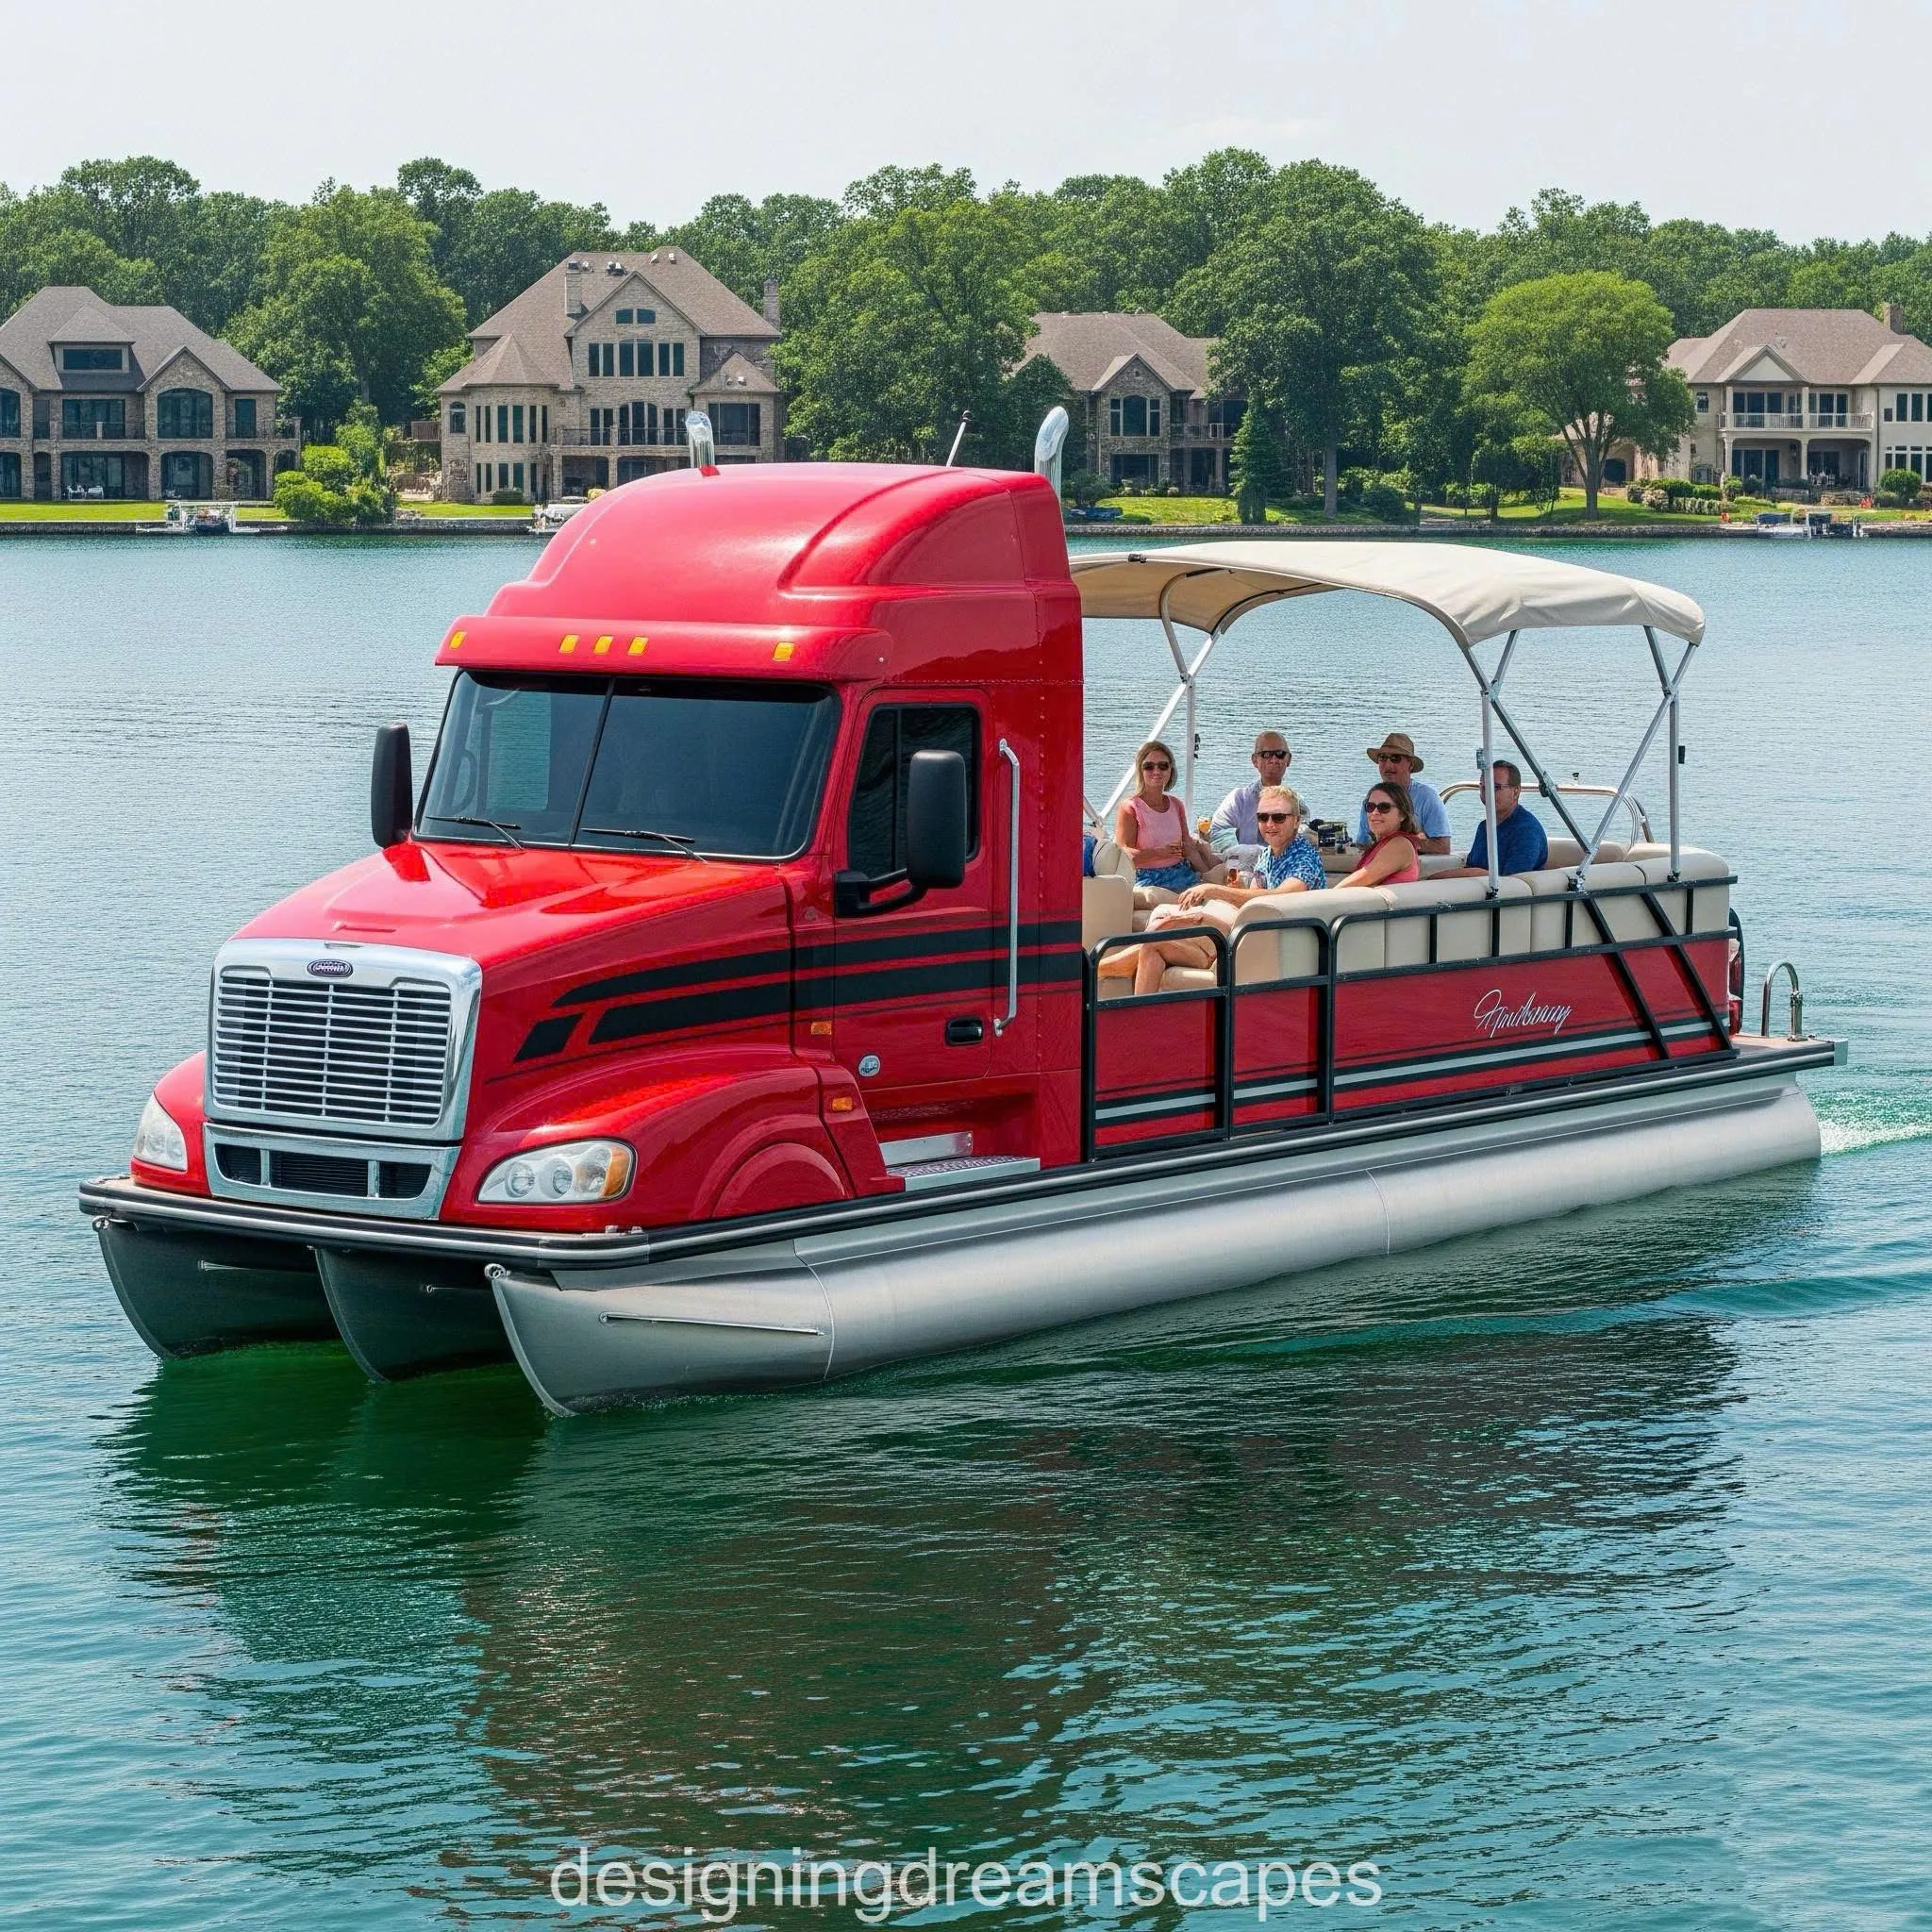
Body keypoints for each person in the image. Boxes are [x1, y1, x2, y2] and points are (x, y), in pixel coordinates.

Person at [1179, 786, 1326, 908]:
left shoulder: (1304, 858)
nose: (1270, 824)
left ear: (1296, 821)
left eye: (1279, 817)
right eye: (1263, 817)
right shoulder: (1267, 854)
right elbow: (1255, 895)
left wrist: (1213, 890)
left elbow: (1283, 896)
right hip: (1263, 923)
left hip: (1290, 933)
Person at [1112, 739, 1216, 895]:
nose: (1157, 771)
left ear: (1170, 770)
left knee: (1212, 898)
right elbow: (1124, 855)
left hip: (1181, 872)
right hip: (1148, 878)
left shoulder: (1176, 804)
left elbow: (1188, 848)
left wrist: (1209, 876)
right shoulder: (1130, 807)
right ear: (1141, 770)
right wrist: (1160, 853)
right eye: (1149, 766)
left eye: (1163, 765)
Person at [1443, 760, 1548, 876]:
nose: (1487, 793)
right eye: (1483, 787)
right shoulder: (1484, 827)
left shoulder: (1527, 832)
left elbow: (1512, 883)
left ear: (1515, 792)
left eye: (1495, 787)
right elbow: (1471, 866)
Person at [1208, 731, 1292, 868]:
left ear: (1288, 760)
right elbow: (1218, 832)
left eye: (1280, 754)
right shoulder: (1238, 798)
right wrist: (1247, 853)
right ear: (1254, 760)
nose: (1274, 759)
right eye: (1266, 754)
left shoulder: (1297, 803)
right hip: (1244, 868)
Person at [1356, 733, 1450, 855]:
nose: (1388, 765)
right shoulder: (1372, 800)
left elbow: (1443, 847)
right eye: (1383, 758)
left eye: (1396, 759)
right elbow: (1363, 844)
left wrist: (1399, 842)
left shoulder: (1427, 797)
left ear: (1410, 765)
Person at [1341, 782, 1423, 887]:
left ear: (1402, 814)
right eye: (1370, 807)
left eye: (1384, 807)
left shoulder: (1399, 845)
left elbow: (1351, 885)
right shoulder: (1385, 845)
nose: (1375, 813)